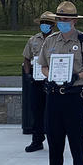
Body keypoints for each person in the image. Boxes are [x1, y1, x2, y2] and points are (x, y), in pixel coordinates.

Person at [36, 1, 83, 165]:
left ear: (74, 21)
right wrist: (52, 75)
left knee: (76, 140)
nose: (63, 22)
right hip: (55, 96)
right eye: (60, 19)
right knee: (54, 139)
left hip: (75, 97)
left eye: (66, 19)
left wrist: (77, 76)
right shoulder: (50, 41)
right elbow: (43, 66)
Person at [22, 11, 56, 153]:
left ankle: (54, 141)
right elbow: (26, 59)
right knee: (36, 111)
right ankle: (37, 140)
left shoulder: (57, 39)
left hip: (53, 81)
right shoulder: (33, 40)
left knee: (53, 113)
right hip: (37, 81)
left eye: (47, 23)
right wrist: (28, 75)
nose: (44, 25)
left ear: (53, 25)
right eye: (42, 23)